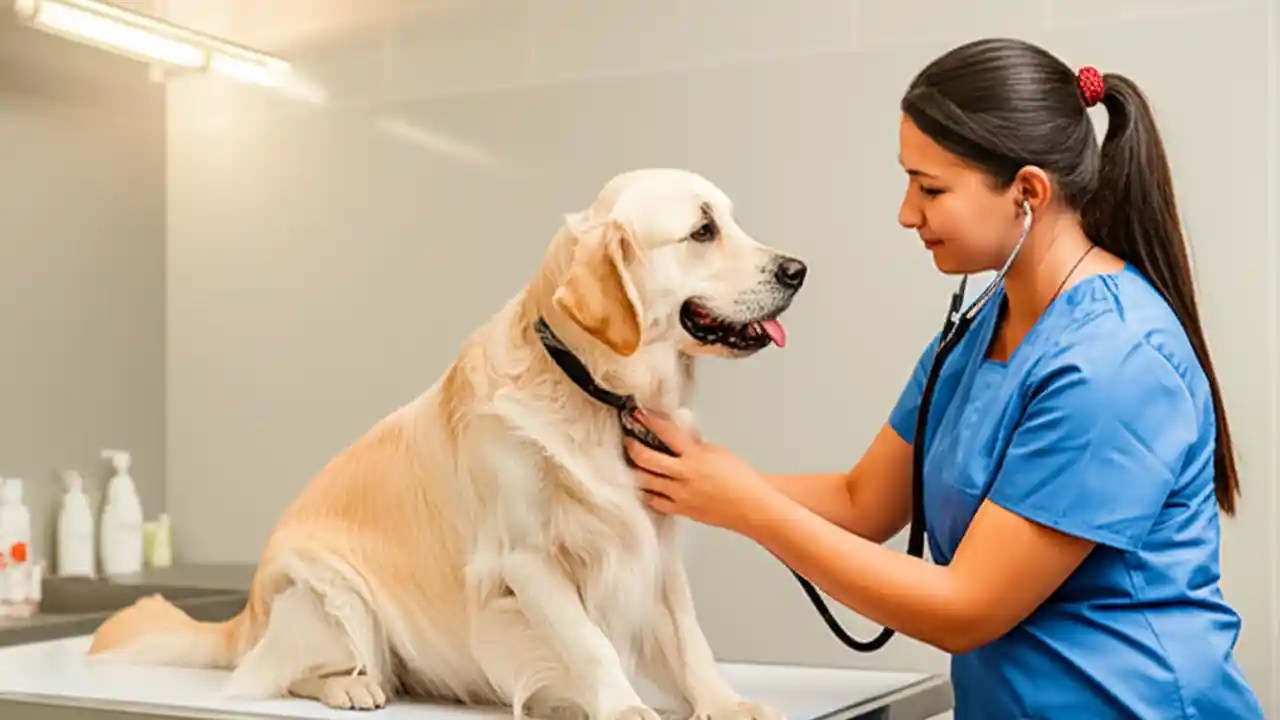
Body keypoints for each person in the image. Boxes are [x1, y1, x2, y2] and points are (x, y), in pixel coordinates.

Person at [624, 38, 1264, 719]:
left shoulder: (1116, 362)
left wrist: (745, 505)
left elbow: (966, 608)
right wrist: (686, 477)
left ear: (1027, 193)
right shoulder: (982, 330)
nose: (907, 213)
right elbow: (863, 502)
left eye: (930, 188)